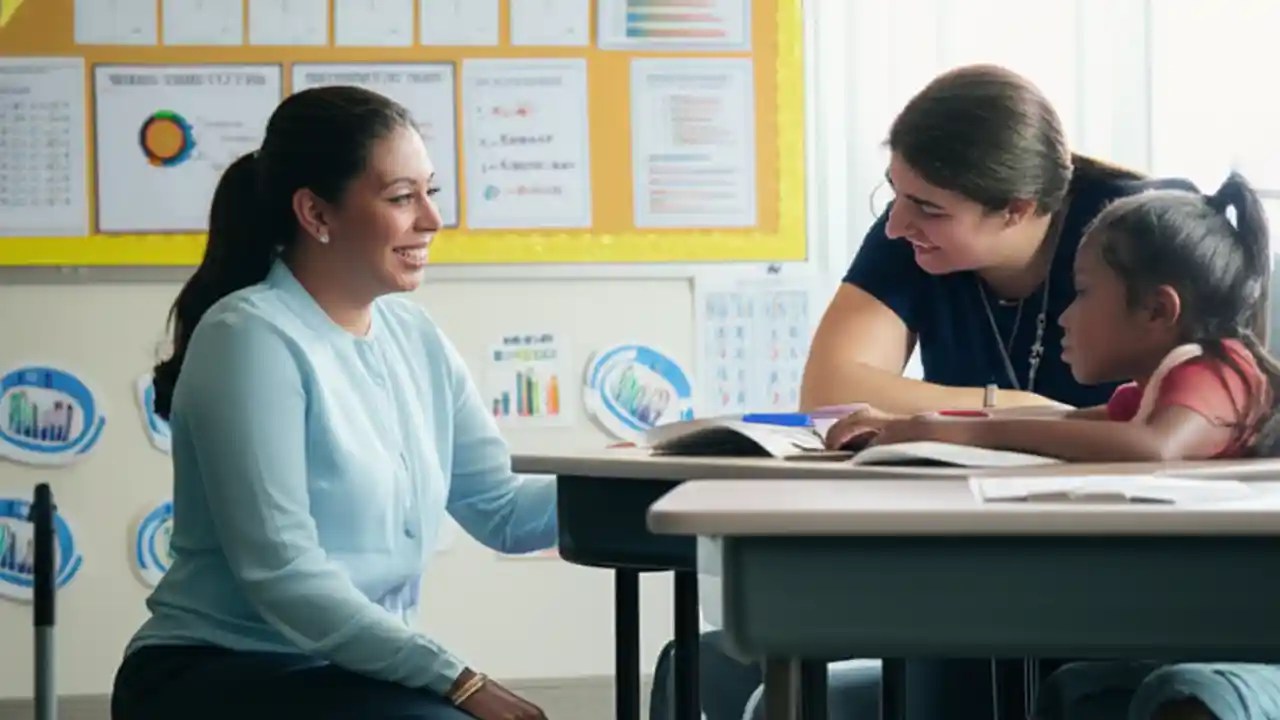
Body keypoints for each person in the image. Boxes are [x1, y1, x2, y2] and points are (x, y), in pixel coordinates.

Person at [651, 62, 1196, 720]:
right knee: (707, 666)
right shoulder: (915, 238)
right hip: (960, 573)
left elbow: (1190, 422)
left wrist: (932, 411)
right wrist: (1022, 410)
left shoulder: (1146, 232)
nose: (895, 225)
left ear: (1016, 210)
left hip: (1117, 584)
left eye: (928, 208)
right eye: (895, 195)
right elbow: (832, 390)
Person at [110, 86, 557, 720]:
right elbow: (284, 574)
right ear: (316, 215)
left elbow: (504, 510)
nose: (431, 219)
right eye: (402, 198)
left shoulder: (415, 336)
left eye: (432, 192)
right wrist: (457, 680)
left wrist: (666, 474)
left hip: (348, 670)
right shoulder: (250, 337)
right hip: (220, 671)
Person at [826, 171, 1280, 720]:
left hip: (1241, 634)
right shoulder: (1160, 384)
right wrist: (928, 424)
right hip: (1184, 618)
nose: (1065, 315)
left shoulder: (1216, 370)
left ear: (1158, 310)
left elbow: (1154, 449)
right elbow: (1067, 420)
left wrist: (967, 430)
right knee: (1065, 687)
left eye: (1083, 293)